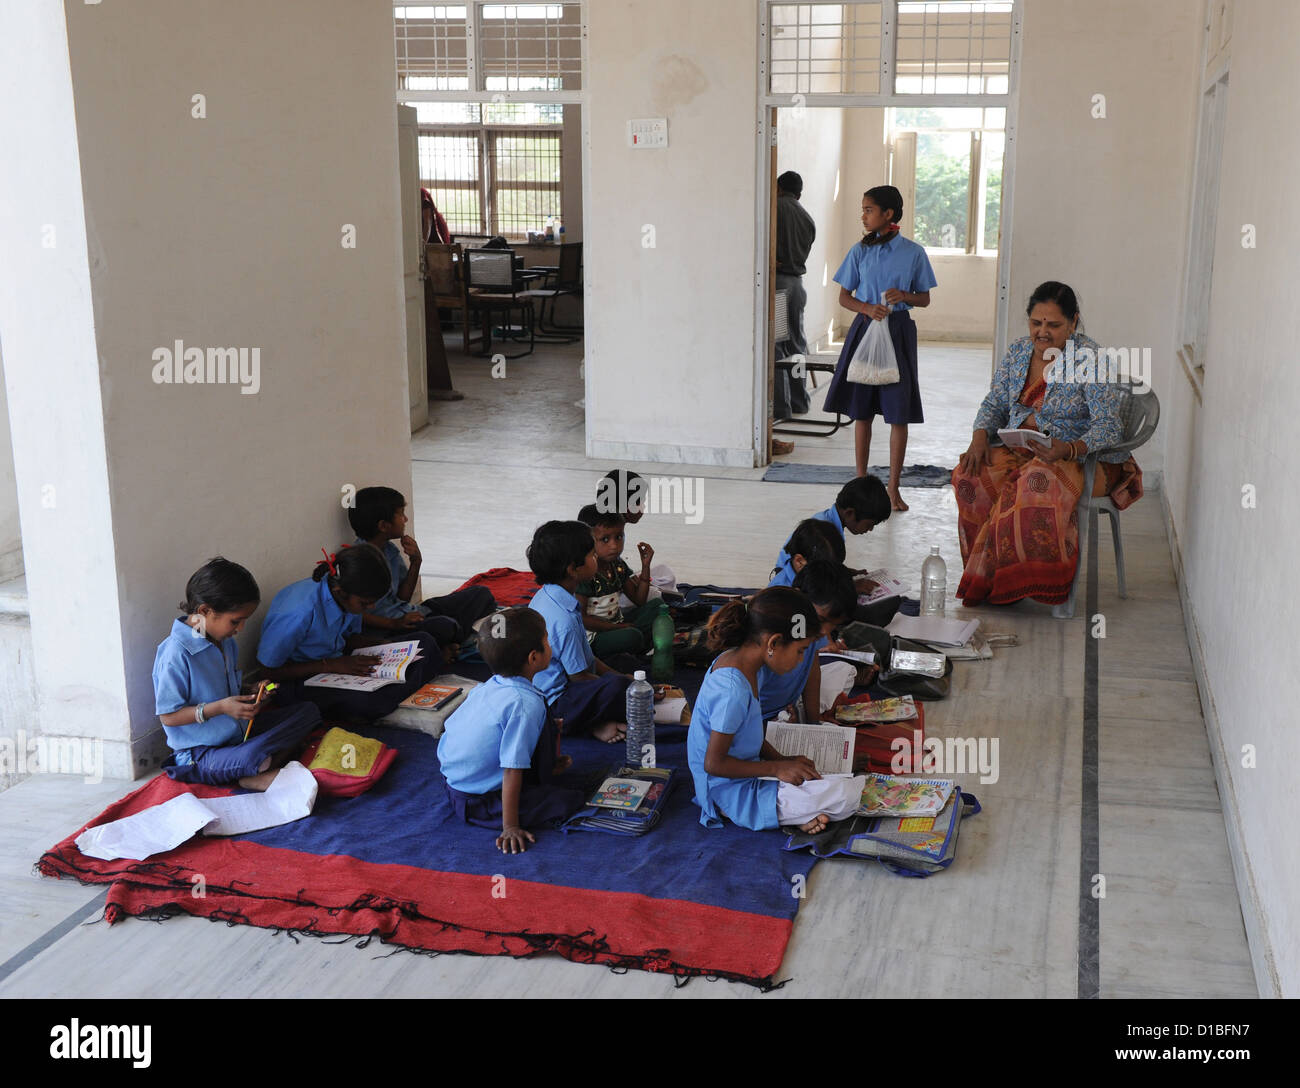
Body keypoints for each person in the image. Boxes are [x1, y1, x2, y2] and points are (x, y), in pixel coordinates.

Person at [951, 281, 1143, 606]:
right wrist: (980, 435)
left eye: (1053, 325)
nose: (1042, 332)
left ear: (1073, 322)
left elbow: (1110, 427)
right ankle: (990, 580)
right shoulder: (1018, 352)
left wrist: (1067, 449)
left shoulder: (1090, 359)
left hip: (1085, 459)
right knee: (969, 476)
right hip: (1025, 449)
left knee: (1034, 485)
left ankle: (1026, 583)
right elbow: (995, 402)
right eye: (1036, 323)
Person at [686, 587, 866, 832]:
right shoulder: (731, 691)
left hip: (751, 767)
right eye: (800, 651)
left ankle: (796, 813)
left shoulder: (750, 667)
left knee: (821, 777)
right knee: (846, 795)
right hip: (728, 791)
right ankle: (790, 813)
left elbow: (750, 729)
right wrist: (776, 768)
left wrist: (782, 759)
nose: (802, 660)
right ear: (773, 643)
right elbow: (713, 764)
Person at [153, 558, 321, 789]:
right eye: (236, 621)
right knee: (252, 757)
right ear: (204, 611)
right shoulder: (176, 653)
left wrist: (251, 692)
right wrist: (221, 707)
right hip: (199, 755)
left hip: (238, 736)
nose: (240, 629)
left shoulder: (225, 642)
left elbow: (223, 689)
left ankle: (258, 768)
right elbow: (168, 717)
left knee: (308, 711)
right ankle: (256, 768)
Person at [820, 185, 937, 512]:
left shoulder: (913, 253)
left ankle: (893, 488)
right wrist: (866, 308)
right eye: (863, 209)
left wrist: (905, 296)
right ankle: (860, 483)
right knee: (862, 411)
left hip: (898, 332)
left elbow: (924, 298)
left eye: (869, 209)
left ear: (888, 214)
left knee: (898, 412)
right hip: (864, 330)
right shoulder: (860, 251)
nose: (863, 215)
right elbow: (845, 297)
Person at [438, 608, 584, 852]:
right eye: (547, 639)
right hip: (480, 802)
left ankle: (543, 771)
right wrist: (511, 826)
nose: (550, 643)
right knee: (569, 800)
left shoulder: (492, 685)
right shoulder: (524, 704)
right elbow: (511, 769)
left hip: (454, 785)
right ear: (533, 658)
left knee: (545, 723)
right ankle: (515, 805)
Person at [256, 544, 441, 720]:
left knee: (425, 642)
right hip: (298, 679)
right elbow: (268, 671)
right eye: (365, 603)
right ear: (340, 592)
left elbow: (348, 639)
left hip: (337, 661)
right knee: (370, 701)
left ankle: (396, 696)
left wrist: (385, 648)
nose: (372, 607)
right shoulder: (299, 613)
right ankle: (401, 692)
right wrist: (330, 665)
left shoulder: (347, 597)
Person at [347, 485, 495, 661]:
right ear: (383, 526)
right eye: (401, 514)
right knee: (445, 626)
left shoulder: (390, 550)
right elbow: (353, 613)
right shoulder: (356, 562)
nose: (406, 519)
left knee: (481, 594)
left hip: (412, 613)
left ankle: (452, 640)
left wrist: (416, 561)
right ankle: (449, 641)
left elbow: (403, 598)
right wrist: (394, 623)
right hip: (389, 628)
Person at [526, 520, 633, 744]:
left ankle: (596, 720)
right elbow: (579, 677)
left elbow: (586, 658)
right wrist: (625, 686)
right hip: (556, 705)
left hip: (565, 686)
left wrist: (618, 675)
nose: (597, 558)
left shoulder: (548, 595)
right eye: (592, 555)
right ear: (573, 570)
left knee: (623, 667)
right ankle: (588, 724)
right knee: (622, 690)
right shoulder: (563, 618)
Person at [758, 562, 859, 722]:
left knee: (846, 670)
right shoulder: (772, 633)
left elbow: (811, 671)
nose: (824, 632)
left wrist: (814, 723)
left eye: (833, 626)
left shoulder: (807, 626)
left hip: (788, 704)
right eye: (821, 620)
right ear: (799, 598)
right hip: (759, 718)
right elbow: (743, 720)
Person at [574, 504, 661, 657]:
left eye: (619, 537)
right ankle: (633, 647)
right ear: (587, 540)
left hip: (617, 624)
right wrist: (618, 628)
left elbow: (639, 600)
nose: (614, 546)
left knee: (659, 606)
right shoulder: (585, 573)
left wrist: (645, 566)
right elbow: (581, 619)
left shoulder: (617, 565)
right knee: (632, 636)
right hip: (595, 637)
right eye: (605, 539)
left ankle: (632, 647)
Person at [775, 169, 817, 416]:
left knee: (778, 346)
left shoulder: (774, 209)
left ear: (778, 188)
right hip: (797, 286)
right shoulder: (807, 218)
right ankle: (801, 401)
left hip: (778, 286)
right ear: (799, 194)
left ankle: (781, 407)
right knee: (797, 345)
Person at [768, 518, 845, 587]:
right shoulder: (782, 595)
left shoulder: (808, 577)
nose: (831, 578)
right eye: (825, 573)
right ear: (799, 561)